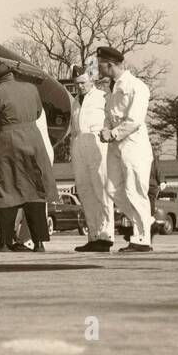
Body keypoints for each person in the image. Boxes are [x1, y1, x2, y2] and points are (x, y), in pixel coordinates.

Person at [0, 61, 57, 252]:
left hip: (9, 142)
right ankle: (38, 243)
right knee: (35, 190)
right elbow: (37, 112)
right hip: (33, 138)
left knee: (7, 189)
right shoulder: (31, 89)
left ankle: (4, 243)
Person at [95, 46, 154, 253]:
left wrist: (112, 133)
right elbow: (109, 114)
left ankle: (142, 238)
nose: (98, 67)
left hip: (133, 144)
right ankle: (145, 221)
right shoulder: (112, 88)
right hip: (115, 144)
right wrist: (105, 128)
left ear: (110, 64)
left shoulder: (136, 86)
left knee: (134, 189)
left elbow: (135, 120)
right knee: (113, 189)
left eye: (100, 63)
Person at [69, 67, 113, 252]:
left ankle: (106, 234)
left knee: (101, 188)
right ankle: (93, 235)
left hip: (97, 142)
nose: (80, 86)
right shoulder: (76, 102)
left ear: (91, 80)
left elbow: (111, 119)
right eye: (77, 83)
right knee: (85, 190)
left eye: (83, 82)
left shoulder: (103, 97)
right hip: (79, 142)